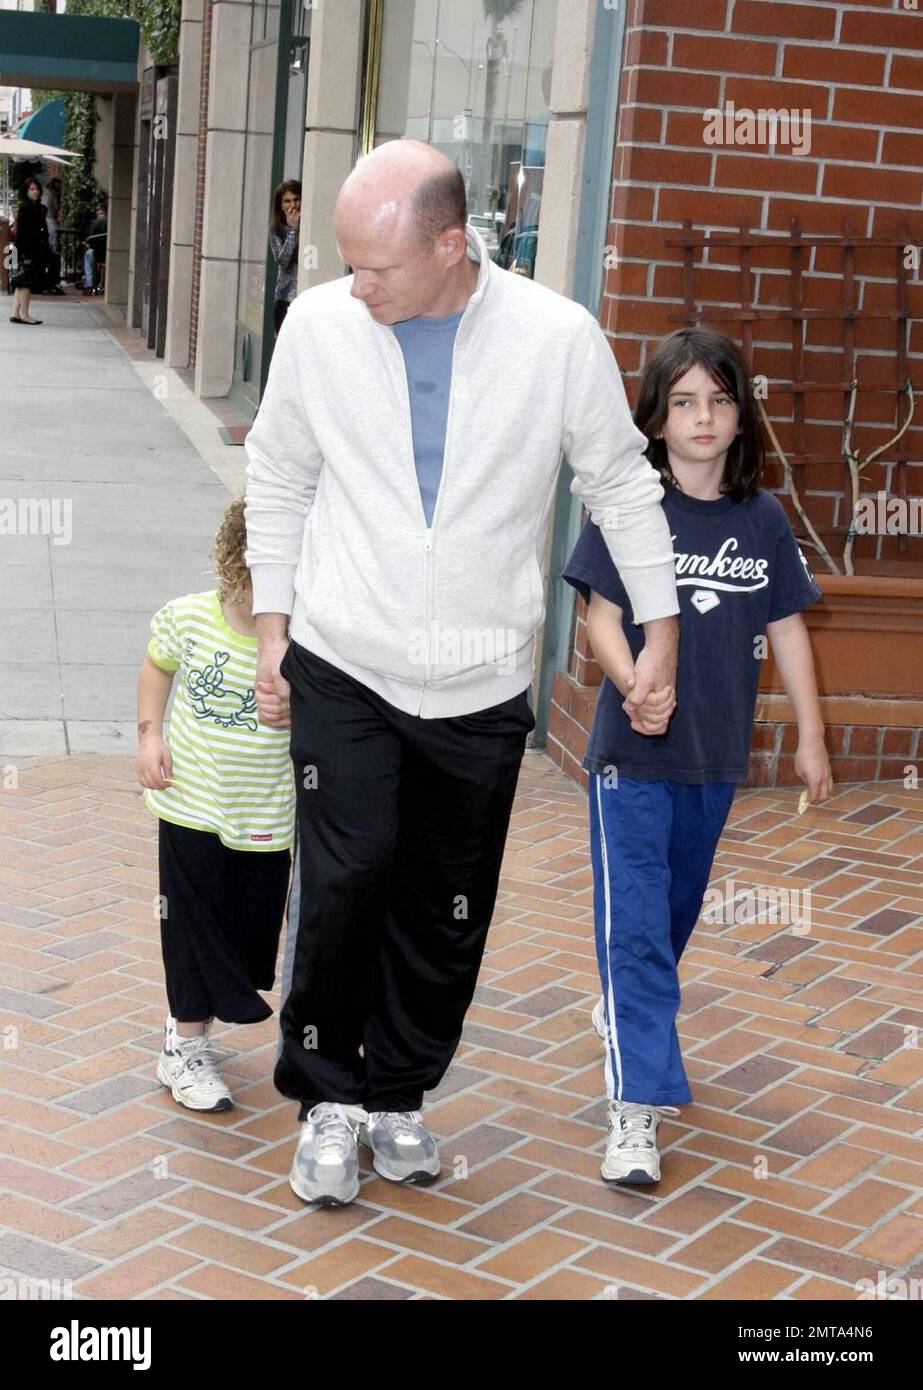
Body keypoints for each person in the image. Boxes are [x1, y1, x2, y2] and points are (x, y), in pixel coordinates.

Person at [244, 139, 680, 1207]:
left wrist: (658, 625)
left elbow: (619, 484)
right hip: (345, 659)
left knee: (446, 903)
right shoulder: (320, 328)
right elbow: (278, 475)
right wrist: (271, 626)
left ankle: (398, 1093)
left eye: (376, 266)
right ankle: (328, 1101)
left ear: (450, 244)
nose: (358, 285)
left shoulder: (554, 338)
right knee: (344, 881)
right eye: (346, 262)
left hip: (479, 682)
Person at [562, 327, 834, 1186]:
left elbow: (786, 626)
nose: (702, 417)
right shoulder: (630, 504)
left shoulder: (760, 520)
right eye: (683, 402)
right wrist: (632, 679)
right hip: (629, 759)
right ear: (656, 417)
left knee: (668, 921)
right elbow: (598, 616)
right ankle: (634, 1112)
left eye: (718, 399)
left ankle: (625, 1006)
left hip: (714, 760)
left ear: (739, 413)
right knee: (637, 930)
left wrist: (810, 733)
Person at [136, 499, 295, 1113]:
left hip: (265, 814)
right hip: (190, 802)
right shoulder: (189, 619)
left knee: (249, 929)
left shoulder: (304, 642)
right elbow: (156, 668)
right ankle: (185, 1044)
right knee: (189, 922)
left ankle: (214, 1011)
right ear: (236, 561)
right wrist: (151, 734)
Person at [9, 177, 48, 325]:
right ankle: (24, 315)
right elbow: (24, 233)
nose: (35, 192)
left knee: (20, 281)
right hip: (27, 251)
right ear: (26, 191)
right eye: (32, 189)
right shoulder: (26, 207)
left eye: (37, 189)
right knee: (25, 283)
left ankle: (15, 313)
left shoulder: (35, 207)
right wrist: (26, 253)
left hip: (25, 250)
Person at [269, 180, 301, 336]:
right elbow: (283, 260)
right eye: (287, 201)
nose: (293, 205)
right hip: (285, 300)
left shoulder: (309, 226)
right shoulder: (276, 230)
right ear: (280, 205)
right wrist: (293, 230)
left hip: (304, 296)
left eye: (296, 199)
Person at [41, 176, 64, 294]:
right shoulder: (54, 193)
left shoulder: (45, 192)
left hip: (45, 220)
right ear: (56, 184)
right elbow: (57, 207)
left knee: (48, 242)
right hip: (51, 219)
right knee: (53, 247)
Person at [82, 201, 107, 295]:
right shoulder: (113, 223)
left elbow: (89, 240)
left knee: (88, 254)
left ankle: (89, 284)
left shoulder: (97, 223)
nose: (99, 216)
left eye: (100, 213)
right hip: (104, 253)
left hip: (98, 252)